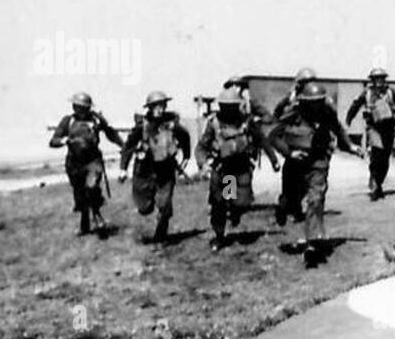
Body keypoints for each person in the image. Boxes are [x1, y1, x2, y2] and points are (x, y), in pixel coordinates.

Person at [266, 82, 365, 265]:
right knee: (290, 200)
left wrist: (351, 147)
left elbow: (339, 132)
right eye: (312, 102)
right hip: (294, 164)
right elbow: (271, 135)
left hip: (318, 163)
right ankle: (273, 207)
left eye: (319, 101)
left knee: (315, 199)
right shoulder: (293, 113)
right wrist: (288, 153)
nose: (316, 106)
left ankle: (313, 243)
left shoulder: (327, 114)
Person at [195, 87, 271, 251]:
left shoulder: (246, 122)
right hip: (223, 169)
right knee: (219, 203)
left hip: (240, 167)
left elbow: (261, 139)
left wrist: (273, 160)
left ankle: (235, 211)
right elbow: (201, 147)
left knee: (240, 202)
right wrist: (203, 164)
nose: (229, 109)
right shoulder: (214, 123)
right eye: (226, 106)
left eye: (233, 106)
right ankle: (220, 236)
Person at [119, 90, 192, 244]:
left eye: (162, 105)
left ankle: (160, 235)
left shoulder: (172, 125)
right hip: (145, 170)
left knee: (165, 205)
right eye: (155, 106)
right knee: (144, 208)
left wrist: (186, 156)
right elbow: (128, 146)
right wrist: (123, 169)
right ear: (150, 108)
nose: (160, 109)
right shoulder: (142, 126)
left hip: (165, 170)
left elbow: (185, 137)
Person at [49, 92, 124, 236]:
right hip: (74, 164)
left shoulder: (96, 119)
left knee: (92, 186)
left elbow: (111, 133)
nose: (80, 110)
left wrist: (123, 146)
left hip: (93, 161)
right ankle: (85, 225)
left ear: (88, 108)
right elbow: (53, 141)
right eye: (77, 107)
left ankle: (97, 214)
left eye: (84, 107)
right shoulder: (67, 121)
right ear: (74, 107)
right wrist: (62, 141)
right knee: (80, 195)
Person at [345, 67, 395, 199]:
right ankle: (375, 182)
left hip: (388, 129)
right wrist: (349, 119)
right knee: (376, 153)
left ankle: (378, 181)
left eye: (382, 79)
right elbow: (355, 105)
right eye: (377, 79)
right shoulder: (367, 93)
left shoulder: (391, 92)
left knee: (385, 158)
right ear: (373, 80)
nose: (379, 82)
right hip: (374, 128)